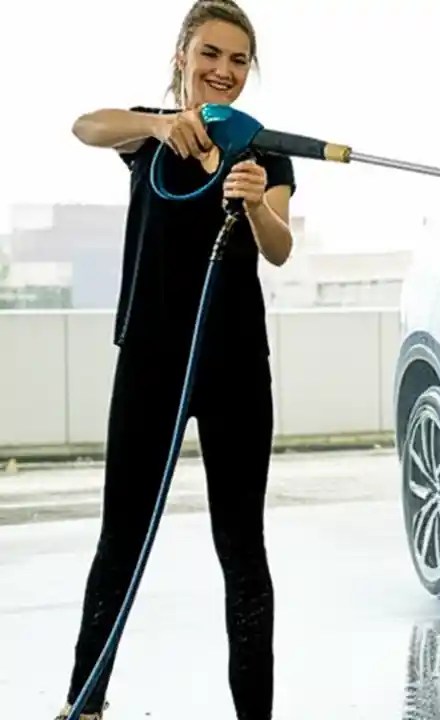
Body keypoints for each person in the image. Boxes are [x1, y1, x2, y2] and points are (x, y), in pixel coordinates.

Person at [59, 1, 294, 718]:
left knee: (242, 551)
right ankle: (85, 704)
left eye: (238, 59)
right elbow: (85, 126)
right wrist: (159, 125)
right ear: (182, 58)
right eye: (210, 54)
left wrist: (255, 204)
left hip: (235, 372)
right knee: (120, 542)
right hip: (151, 365)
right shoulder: (146, 136)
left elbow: (280, 247)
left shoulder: (265, 150)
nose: (223, 70)